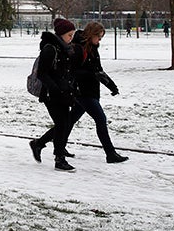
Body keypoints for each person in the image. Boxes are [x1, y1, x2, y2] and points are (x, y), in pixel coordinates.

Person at [69, 22, 128, 163]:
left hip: (90, 90)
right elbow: (73, 71)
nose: (99, 41)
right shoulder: (78, 48)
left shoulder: (93, 49)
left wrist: (111, 86)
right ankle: (110, 153)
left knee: (68, 121)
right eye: (98, 37)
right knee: (101, 119)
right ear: (91, 35)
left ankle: (41, 143)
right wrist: (92, 75)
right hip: (82, 92)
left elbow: (99, 71)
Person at [28, 17, 79, 171]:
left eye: (72, 35)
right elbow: (43, 74)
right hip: (52, 94)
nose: (71, 38)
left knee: (64, 124)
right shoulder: (50, 49)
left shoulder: (66, 48)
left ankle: (39, 144)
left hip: (64, 92)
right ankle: (59, 159)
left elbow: (66, 72)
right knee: (63, 124)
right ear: (61, 34)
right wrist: (55, 88)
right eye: (69, 35)